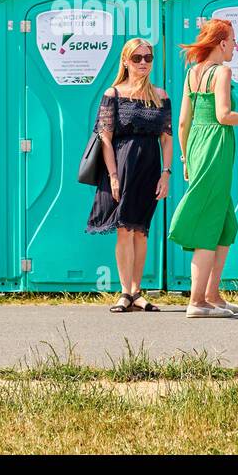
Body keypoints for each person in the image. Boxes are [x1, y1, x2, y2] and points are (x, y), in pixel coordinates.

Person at [168, 18, 238, 318]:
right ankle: (196, 302)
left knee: (226, 223)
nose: (235, 46)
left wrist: (186, 159)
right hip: (215, 146)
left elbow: (182, 123)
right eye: (232, 40)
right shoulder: (222, 72)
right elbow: (224, 115)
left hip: (198, 147)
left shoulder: (192, 73)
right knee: (208, 223)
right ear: (221, 43)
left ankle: (212, 295)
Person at [86, 39, 172, 313]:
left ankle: (137, 292)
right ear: (125, 61)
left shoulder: (161, 96)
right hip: (121, 167)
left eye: (148, 57)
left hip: (149, 168)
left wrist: (166, 174)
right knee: (123, 230)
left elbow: (167, 139)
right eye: (137, 58)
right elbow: (105, 139)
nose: (143, 62)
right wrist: (112, 175)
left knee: (141, 232)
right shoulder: (113, 93)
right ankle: (125, 292)